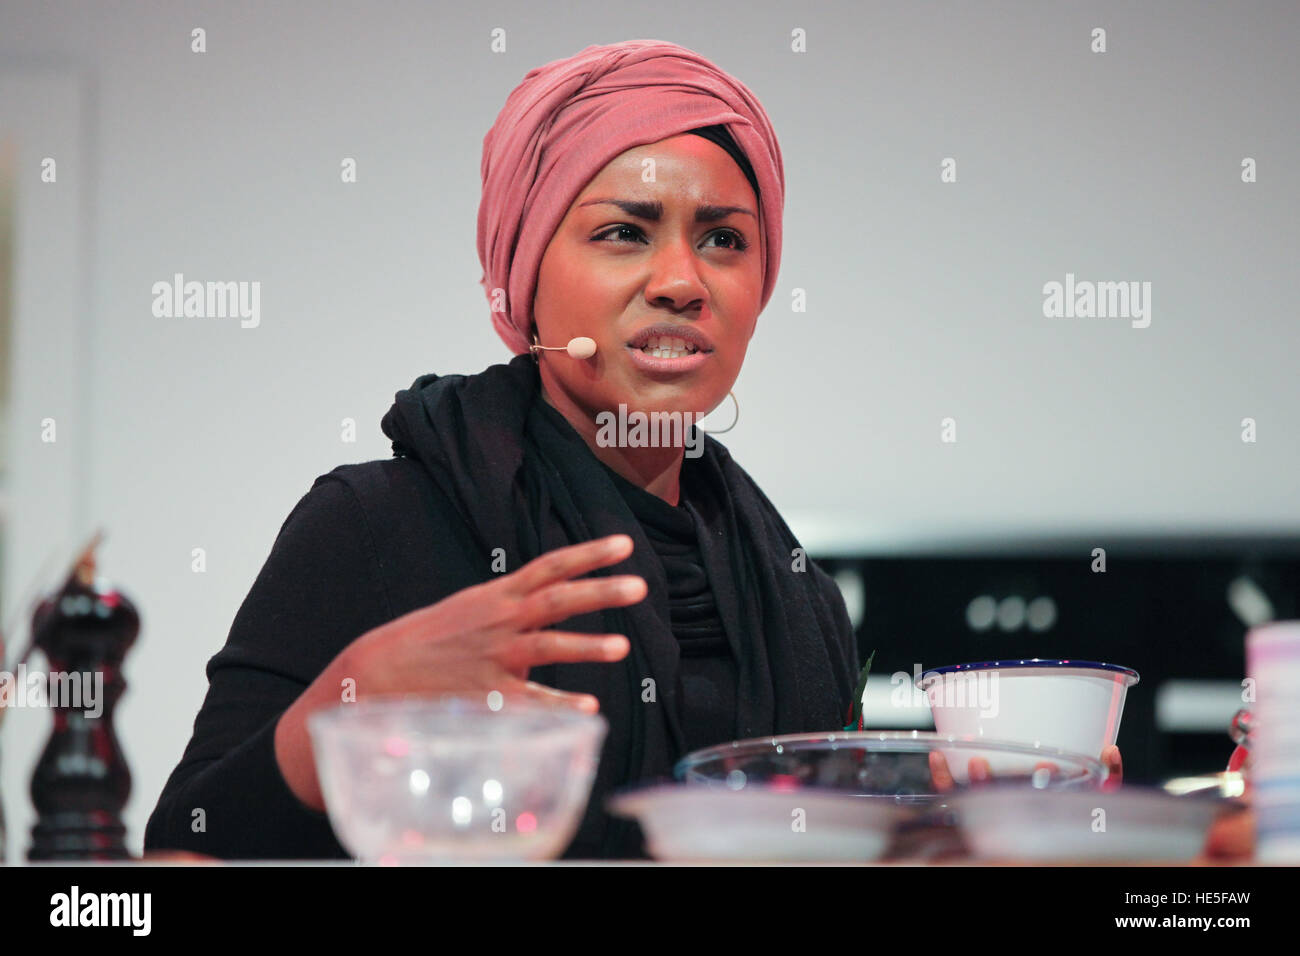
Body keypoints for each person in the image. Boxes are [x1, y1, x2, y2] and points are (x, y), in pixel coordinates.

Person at [144, 39, 861, 861]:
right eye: (624, 231)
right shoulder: (373, 525)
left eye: (724, 241)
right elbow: (180, 850)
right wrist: (348, 705)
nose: (681, 281)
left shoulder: (802, 598)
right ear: (525, 274)